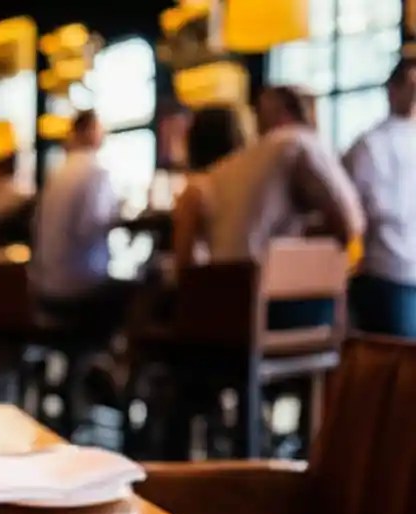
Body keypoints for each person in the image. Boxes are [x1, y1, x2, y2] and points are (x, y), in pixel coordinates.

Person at [187, 86, 364, 328]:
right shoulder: (295, 140)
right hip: (274, 313)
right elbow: (352, 223)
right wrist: (301, 237)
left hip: (224, 313)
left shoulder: (219, 173)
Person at [31, 110, 126, 324]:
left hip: (47, 285)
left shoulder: (58, 172)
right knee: (140, 291)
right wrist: (120, 214)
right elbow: (91, 228)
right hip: (78, 285)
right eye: (101, 128)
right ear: (90, 131)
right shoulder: (95, 172)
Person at [346, 59, 416, 337]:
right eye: (411, 86)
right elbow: (353, 211)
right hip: (387, 271)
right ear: (392, 90)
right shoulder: (370, 145)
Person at [171, 104, 256, 267]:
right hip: (265, 276)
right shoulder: (252, 184)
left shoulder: (197, 188)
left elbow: (184, 259)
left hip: (219, 282)